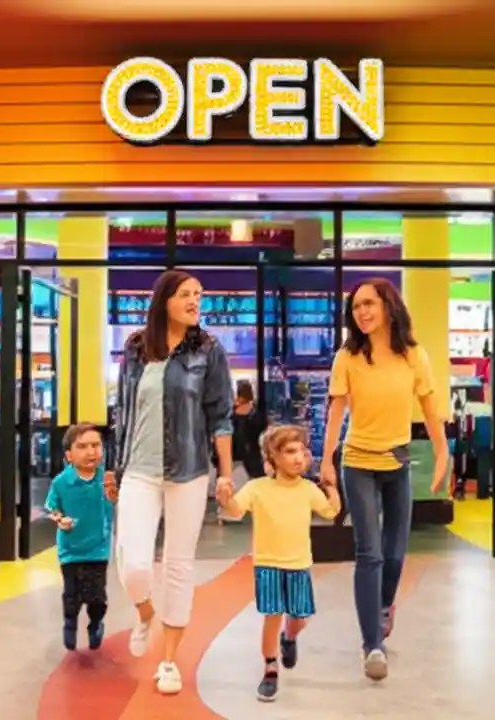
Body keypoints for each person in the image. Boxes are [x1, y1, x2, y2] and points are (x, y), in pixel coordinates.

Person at [112, 269, 235, 696]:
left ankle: (168, 661)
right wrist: (115, 466)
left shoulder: (208, 350)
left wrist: (224, 474)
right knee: (135, 565)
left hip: (189, 471)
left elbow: (221, 416)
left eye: (199, 295)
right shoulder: (134, 348)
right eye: (186, 294)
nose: (195, 302)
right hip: (139, 472)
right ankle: (145, 612)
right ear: (164, 299)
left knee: (179, 567)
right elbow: (123, 412)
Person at [321, 277, 448, 682]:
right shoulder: (348, 358)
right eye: (356, 307)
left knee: (395, 553)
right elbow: (337, 412)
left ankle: (384, 605)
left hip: (397, 459)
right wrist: (326, 460)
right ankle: (372, 645)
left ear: (389, 306)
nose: (361, 312)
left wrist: (443, 451)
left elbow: (430, 408)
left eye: (369, 304)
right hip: (357, 461)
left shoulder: (413, 356)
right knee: (369, 553)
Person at [216, 424, 340, 702]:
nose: (298, 457)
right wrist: (225, 497)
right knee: (272, 615)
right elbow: (236, 508)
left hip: (298, 564)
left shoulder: (308, 489)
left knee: (298, 618)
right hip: (268, 563)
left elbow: (330, 510)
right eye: (289, 451)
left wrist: (332, 489)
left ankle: (290, 638)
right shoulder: (258, 488)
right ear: (273, 458)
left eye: (302, 451)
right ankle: (270, 668)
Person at [44, 424, 116, 652]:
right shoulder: (61, 483)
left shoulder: (107, 478)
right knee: (72, 594)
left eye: (95, 445)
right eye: (82, 447)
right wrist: (59, 518)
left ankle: (95, 623)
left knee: (97, 596)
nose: (90, 452)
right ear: (69, 455)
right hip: (70, 550)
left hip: (99, 548)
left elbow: (115, 501)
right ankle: (70, 622)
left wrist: (114, 495)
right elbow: (52, 507)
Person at [219, 378, 267, 523]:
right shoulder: (253, 412)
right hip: (247, 452)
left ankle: (228, 513)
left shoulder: (233, 413)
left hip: (241, 452)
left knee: (240, 482)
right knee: (255, 482)